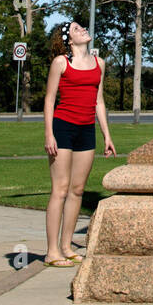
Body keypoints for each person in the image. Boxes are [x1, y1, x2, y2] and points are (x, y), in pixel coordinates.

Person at [43, 20, 115, 266]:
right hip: (63, 128)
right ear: (69, 40)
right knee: (60, 189)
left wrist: (107, 135)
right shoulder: (61, 63)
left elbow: (99, 102)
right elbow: (50, 99)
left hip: (87, 131)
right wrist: (49, 134)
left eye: (82, 26)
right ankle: (52, 251)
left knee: (77, 190)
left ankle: (66, 245)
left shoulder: (99, 64)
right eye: (76, 29)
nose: (83, 29)